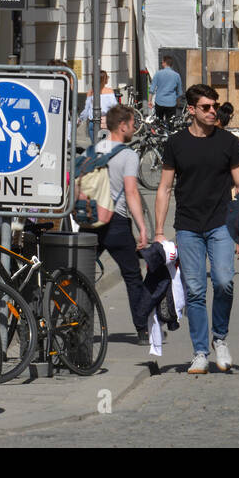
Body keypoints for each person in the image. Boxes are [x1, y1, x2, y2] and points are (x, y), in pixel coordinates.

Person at [154, 84, 239, 375]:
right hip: (188, 226)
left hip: (221, 224)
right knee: (195, 290)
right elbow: (165, 188)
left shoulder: (228, 142)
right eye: (206, 107)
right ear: (192, 110)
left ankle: (220, 338)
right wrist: (158, 231)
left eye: (215, 106)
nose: (213, 112)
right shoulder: (176, 143)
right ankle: (199, 352)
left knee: (223, 282)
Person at [94, 105, 152, 344]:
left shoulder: (95, 150)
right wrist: (142, 227)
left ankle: (74, 326)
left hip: (91, 221)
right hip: (116, 222)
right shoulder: (128, 155)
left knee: (83, 277)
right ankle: (141, 329)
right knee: (132, 276)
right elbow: (131, 192)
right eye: (131, 124)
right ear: (122, 126)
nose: (134, 128)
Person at [78, 71, 117, 142]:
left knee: (95, 147)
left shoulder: (91, 92)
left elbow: (86, 110)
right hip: (104, 123)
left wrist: (80, 120)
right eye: (107, 77)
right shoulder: (109, 91)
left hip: (92, 123)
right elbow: (114, 108)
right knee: (104, 148)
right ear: (104, 79)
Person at [149, 56, 183, 122]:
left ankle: (160, 131)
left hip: (159, 102)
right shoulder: (176, 75)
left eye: (162, 62)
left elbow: (152, 88)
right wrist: (177, 101)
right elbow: (179, 92)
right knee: (170, 123)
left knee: (159, 123)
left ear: (164, 63)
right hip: (171, 102)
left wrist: (150, 101)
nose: (162, 64)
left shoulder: (158, 74)